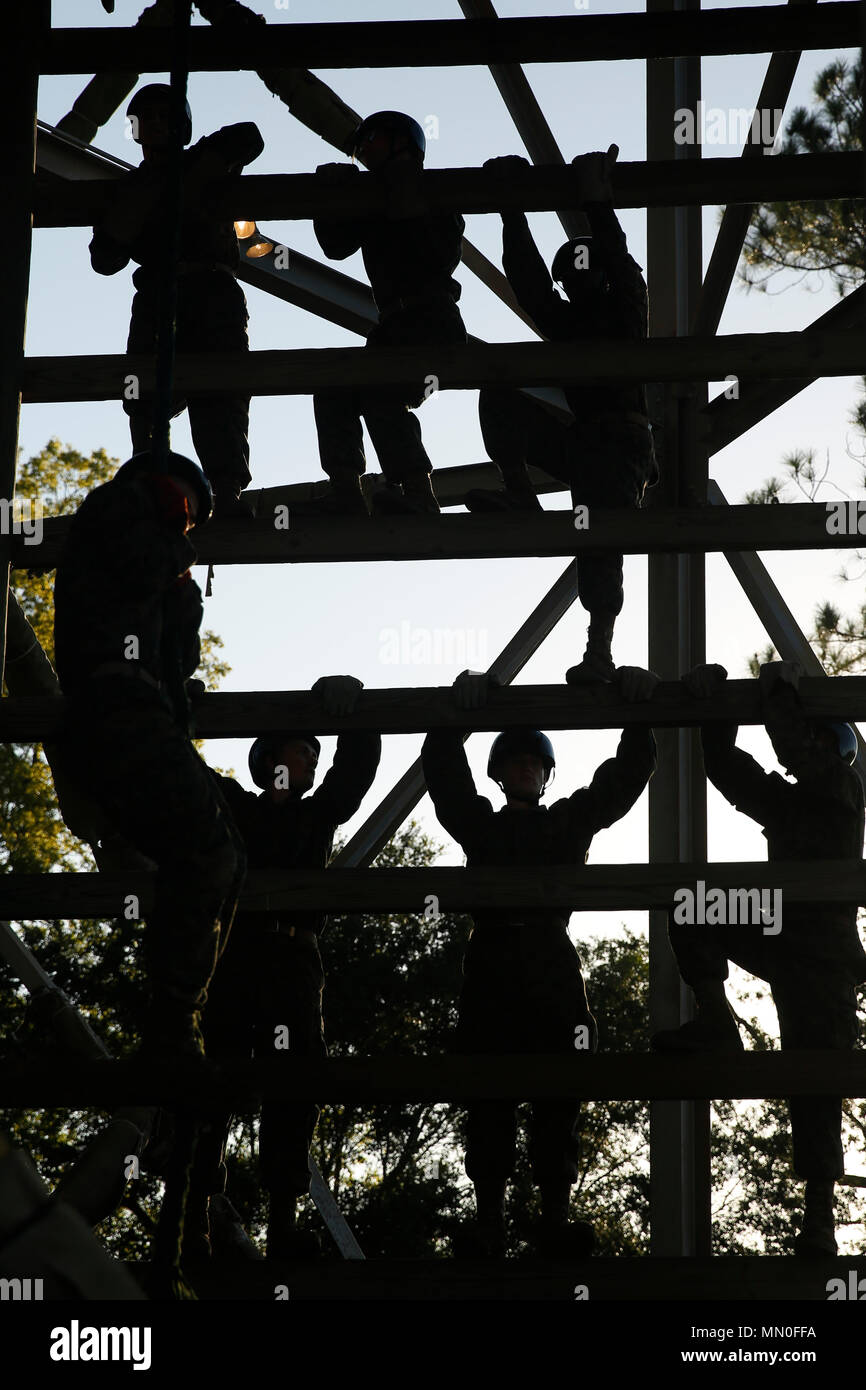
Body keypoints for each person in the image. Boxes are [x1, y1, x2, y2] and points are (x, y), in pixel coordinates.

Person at [421, 666, 658, 1257]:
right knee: (488, 1091)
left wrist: (637, 709)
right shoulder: (480, 824)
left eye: (534, 761)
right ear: (499, 773)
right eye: (515, 761)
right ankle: (491, 1222)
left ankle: (555, 1216)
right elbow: (444, 777)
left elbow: (624, 780)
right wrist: (458, 709)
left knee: (562, 1091)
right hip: (494, 961)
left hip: (553, 962)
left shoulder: (566, 822)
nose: (525, 766)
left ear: (547, 775)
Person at [653, 660, 865, 1257]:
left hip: (824, 959)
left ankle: (819, 1221)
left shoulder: (844, 789)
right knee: (694, 907)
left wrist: (772, 688)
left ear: (832, 748)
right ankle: (717, 1023)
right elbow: (726, 766)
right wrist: (716, 701)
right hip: (784, 935)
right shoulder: (789, 800)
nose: (809, 745)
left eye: (819, 739)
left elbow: (793, 749)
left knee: (817, 1081)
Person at [52, 450, 246, 1058]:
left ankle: (179, 1010)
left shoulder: (157, 557)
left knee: (223, 860)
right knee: (211, 854)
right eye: (184, 507)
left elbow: (178, 664)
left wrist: (185, 597)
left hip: (136, 718)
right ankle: (173, 1015)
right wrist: (164, 527)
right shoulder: (117, 510)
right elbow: (137, 564)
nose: (186, 523)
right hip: (117, 712)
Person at [183, 676, 381, 1260]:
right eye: (303, 750)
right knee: (217, 1078)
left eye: (317, 752)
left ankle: (285, 1225)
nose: (314, 760)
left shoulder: (318, 815)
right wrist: (181, 701)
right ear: (270, 758)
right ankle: (194, 1214)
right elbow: (176, 767)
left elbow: (358, 765)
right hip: (237, 957)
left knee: (293, 1084)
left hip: (294, 959)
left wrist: (350, 701)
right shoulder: (233, 808)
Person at [465, 147, 658, 684]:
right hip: (588, 442)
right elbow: (529, 282)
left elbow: (618, 262)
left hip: (621, 445)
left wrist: (595, 203)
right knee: (498, 388)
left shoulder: (625, 312)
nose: (574, 285)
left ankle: (600, 652)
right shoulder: (575, 320)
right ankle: (519, 493)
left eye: (579, 277)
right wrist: (512, 213)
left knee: (599, 536)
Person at [89, 84, 264, 516]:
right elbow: (105, 258)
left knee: (219, 392)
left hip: (212, 291)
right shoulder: (133, 188)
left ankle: (226, 494)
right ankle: (149, 489)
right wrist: (141, 204)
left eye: (164, 117)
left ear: (180, 125)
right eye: (146, 118)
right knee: (145, 398)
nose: (155, 125)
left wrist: (198, 167)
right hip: (157, 297)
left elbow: (249, 137)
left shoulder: (202, 163)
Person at [300, 111, 467, 517]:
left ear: (401, 142)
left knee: (380, 389)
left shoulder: (431, 193)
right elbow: (335, 244)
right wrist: (331, 196)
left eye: (372, 139)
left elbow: (442, 255)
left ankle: (417, 492)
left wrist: (385, 198)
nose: (363, 149)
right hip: (396, 325)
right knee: (335, 384)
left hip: (431, 320)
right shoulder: (373, 199)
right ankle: (346, 489)